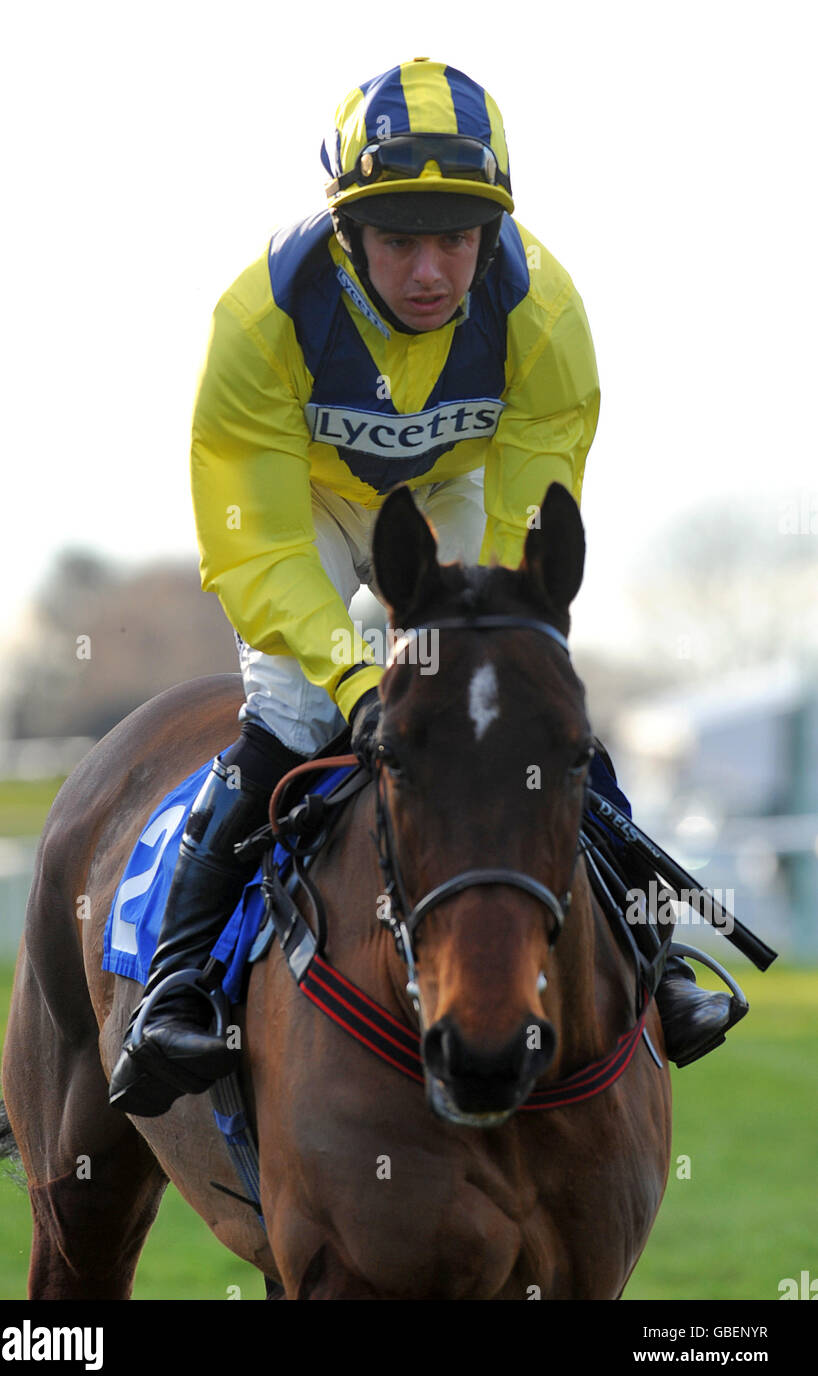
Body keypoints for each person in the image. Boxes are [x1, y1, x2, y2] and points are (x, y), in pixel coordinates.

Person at [109, 59, 735, 1117]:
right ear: (348, 231)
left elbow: (529, 521)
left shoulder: (543, 313)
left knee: (523, 699)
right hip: (298, 508)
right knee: (299, 708)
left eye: (456, 238)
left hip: (451, 498)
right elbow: (254, 544)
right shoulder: (260, 320)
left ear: (491, 231)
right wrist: (362, 682)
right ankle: (178, 982)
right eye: (400, 240)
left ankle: (655, 955)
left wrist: (485, 653)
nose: (433, 272)